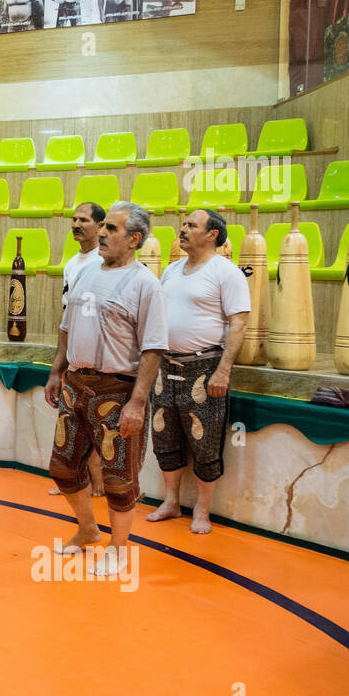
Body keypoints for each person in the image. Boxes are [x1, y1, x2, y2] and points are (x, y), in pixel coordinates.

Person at [44, 202, 168, 575]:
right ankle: (87, 530)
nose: (101, 234)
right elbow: (67, 328)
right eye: (104, 228)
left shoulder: (145, 284)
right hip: (75, 385)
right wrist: (56, 373)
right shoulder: (86, 273)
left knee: (117, 476)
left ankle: (119, 547)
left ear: (134, 239)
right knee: (62, 468)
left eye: (111, 229)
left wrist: (137, 402)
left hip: (117, 391)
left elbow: (154, 347)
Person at [145, 209, 249, 535]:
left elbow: (239, 323)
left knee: (205, 443)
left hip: (205, 370)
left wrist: (224, 370)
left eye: (192, 225)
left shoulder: (226, 272)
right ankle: (171, 501)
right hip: (166, 366)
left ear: (212, 234)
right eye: (184, 224)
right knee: (165, 437)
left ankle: (202, 510)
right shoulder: (172, 270)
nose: (184, 229)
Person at [47, 202, 107, 498]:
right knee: (72, 426)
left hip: (101, 360)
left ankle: (99, 478)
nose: (76, 224)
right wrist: (57, 368)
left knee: (99, 423)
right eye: (73, 219)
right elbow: (66, 318)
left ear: (100, 226)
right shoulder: (72, 264)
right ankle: (74, 479)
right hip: (74, 356)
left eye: (83, 220)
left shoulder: (104, 260)